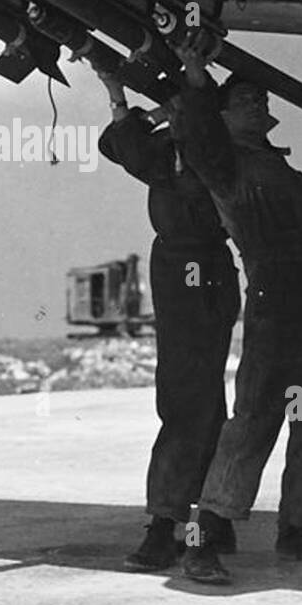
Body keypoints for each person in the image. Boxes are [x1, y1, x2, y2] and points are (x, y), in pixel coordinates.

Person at [171, 32, 302, 585]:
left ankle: (299, 531)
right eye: (246, 100)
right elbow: (196, 130)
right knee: (253, 421)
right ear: (224, 117)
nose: (260, 104)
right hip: (278, 310)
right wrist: (197, 77)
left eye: (263, 100)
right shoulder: (223, 166)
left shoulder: (288, 177)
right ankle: (203, 540)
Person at [91, 63, 241, 571]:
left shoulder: (200, 153)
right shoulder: (177, 150)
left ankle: (171, 525)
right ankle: (201, 522)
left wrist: (162, 100)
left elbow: (126, 147)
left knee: (185, 398)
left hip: (198, 271)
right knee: (195, 398)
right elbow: (114, 146)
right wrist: (148, 104)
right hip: (184, 270)